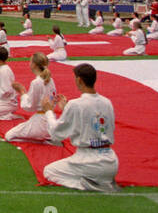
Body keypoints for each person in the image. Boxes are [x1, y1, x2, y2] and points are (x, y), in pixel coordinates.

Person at [40, 63, 118, 192]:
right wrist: (66, 109)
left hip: (89, 160)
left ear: (79, 80)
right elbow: (97, 123)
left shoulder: (76, 104)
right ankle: (98, 180)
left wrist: (48, 112)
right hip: (111, 160)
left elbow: (56, 133)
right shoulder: (106, 102)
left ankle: (88, 184)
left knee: (49, 171)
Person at [4, 53, 57, 143]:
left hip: (40, 121)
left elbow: (29, 106)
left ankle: (40, 140)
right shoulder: (50, 80)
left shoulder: (36, 82)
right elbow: (53, 99)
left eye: (30, 61)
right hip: (51, 119)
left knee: (9, 136)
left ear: (34, 64)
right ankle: (44, 137)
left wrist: (22, 92)